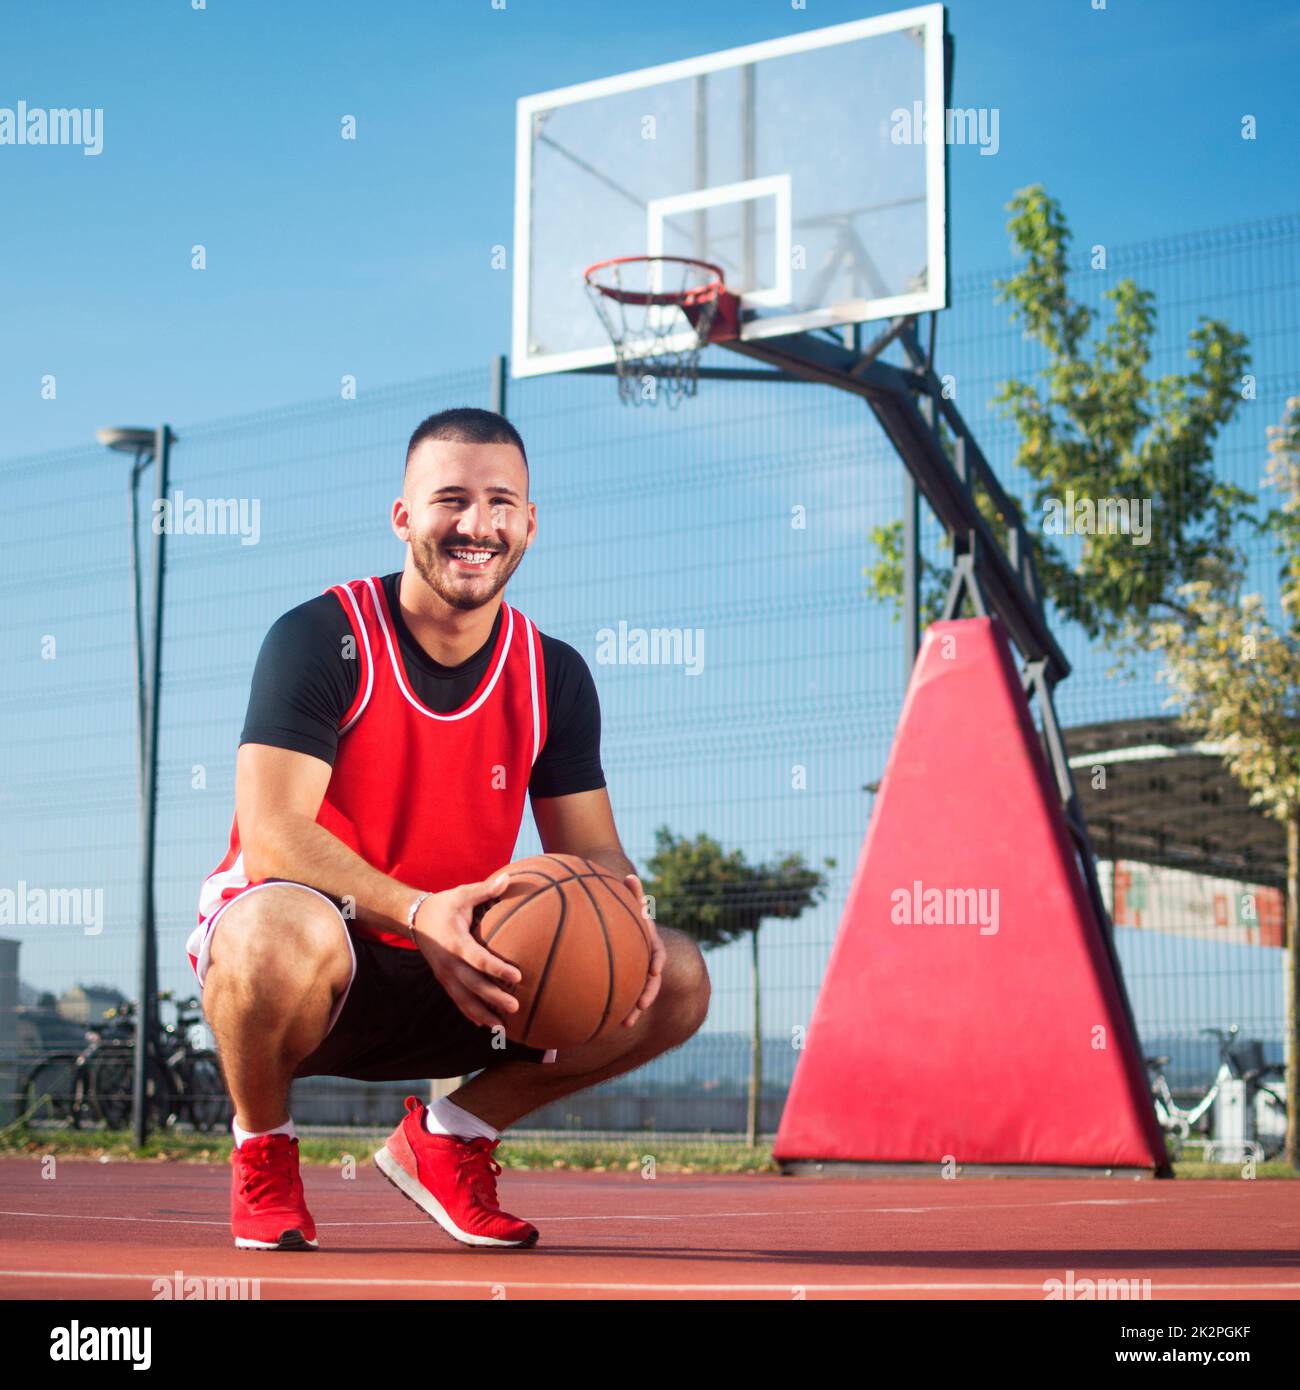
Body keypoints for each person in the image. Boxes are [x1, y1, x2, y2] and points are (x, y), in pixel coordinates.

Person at [187, 407, 711, 1250]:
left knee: (676, 974)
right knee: (270, 930)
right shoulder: (322, 638)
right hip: (325, 962)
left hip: (464, 967)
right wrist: (422, 910)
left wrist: (627, 906)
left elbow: (594, 850)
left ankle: (450, 1138)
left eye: (502, 502)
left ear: (530, 524)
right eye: (451, 500)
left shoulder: (553, 674)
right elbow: (274, 833)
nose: (477, 525)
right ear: (404, 516)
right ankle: (264, 1147)